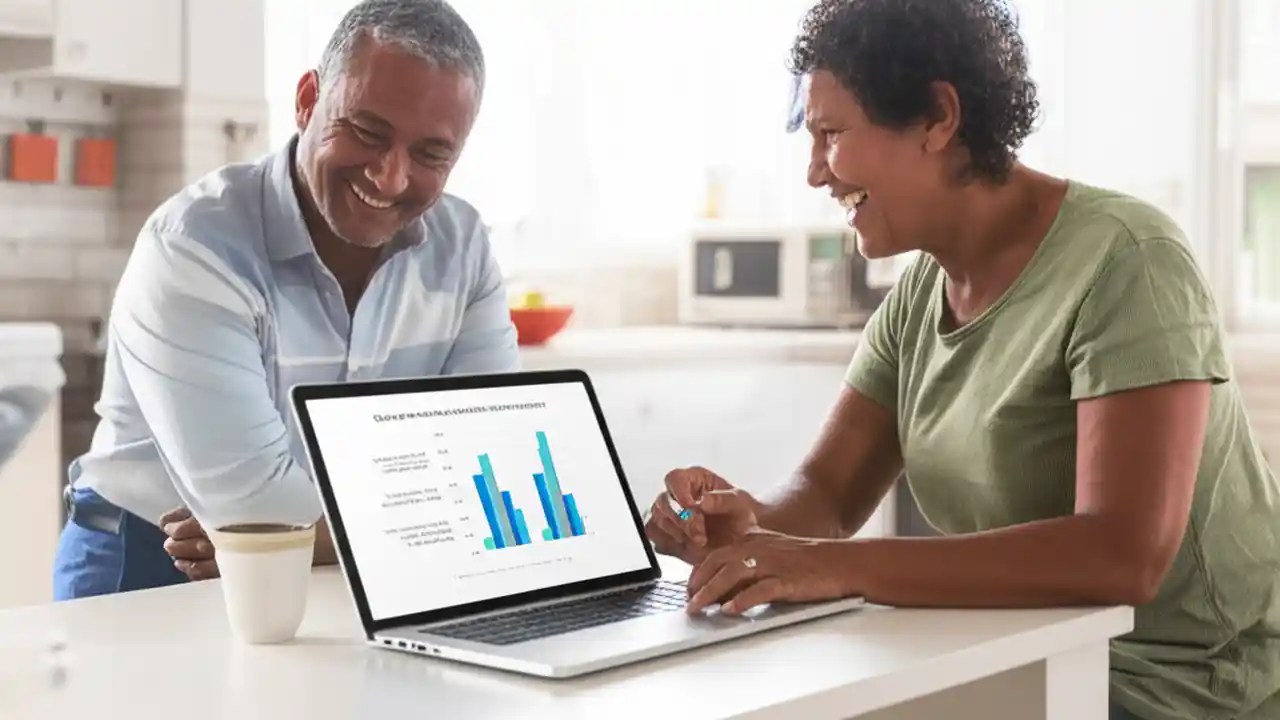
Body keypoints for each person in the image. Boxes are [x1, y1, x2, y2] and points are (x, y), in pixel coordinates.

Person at [642, 1, 1280, 719]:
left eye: (832, 134)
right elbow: (827, 493)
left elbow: (1122, 555)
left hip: (1180, 685)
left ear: (938, 119)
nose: (817, 173)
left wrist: (828, 567)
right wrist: (752, 528)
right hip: (1019, 656)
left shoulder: (1129, 260)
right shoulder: (921, 292)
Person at [53, 0, 519, 600]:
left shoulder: (465, 250)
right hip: (149, 565)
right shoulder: (195, 246)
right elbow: (259, 508)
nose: (389, 177)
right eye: (366, 131)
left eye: (430, 155)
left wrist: (311, 539)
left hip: (350, 574)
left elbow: (491, 467)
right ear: (307, 100)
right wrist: (433, 521)